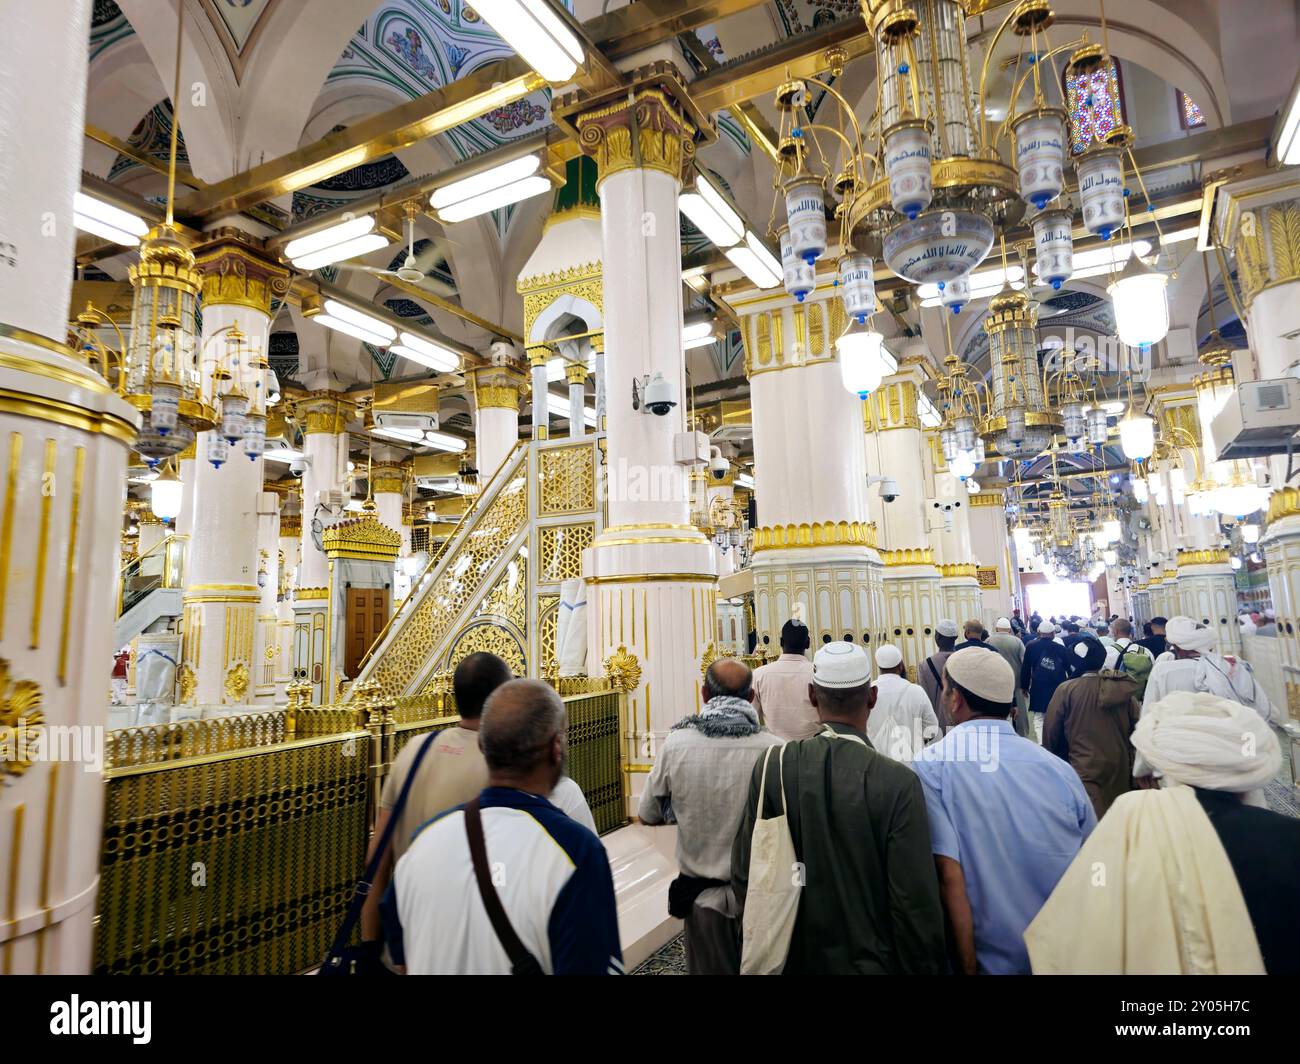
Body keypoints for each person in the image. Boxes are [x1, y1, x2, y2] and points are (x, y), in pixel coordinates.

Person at [1025, 691, 1299, 974]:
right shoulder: (1290, 839)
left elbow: (1070, 940)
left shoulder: (1127, 831)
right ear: (1249, 773)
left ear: (1147, 779)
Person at [731, 641, 945, 974]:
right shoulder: (898, 783)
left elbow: (747, 871)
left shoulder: (774, 766)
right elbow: (914, 902)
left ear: (813, 696)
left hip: (793, 960)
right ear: (871, 698)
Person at [360, 652, 595, 954]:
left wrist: (369, 946)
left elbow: (377, 860)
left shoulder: (414, 751)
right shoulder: (514, 770)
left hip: (411, 944)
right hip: (486, 948)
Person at [384, 679, 622, 975]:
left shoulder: (422, 844)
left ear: (483, 746)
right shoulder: (576, 852)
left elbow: (403, 961)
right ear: (556, 747)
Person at [913, 648, 1095, 975]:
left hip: (987, 962)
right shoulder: (1058, 770)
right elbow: (1091, 861)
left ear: (954, 700)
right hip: (1065, 957)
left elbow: (948, 876)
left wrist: (967, 967)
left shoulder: (930, 768)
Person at [638, 659, 780, 974]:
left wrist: (686, 811)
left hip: (702, 902)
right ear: (751, 696)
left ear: (704, 694)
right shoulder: (774, 749)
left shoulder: (677, 745)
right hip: (762, 899)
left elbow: (647, 812)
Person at [1042, 639, 1140, 819]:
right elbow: (1138, 728)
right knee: (1121, 817)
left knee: (1094, 824)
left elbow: (1051, 733)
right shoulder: (1122, 688)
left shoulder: (1067, 690)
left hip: (1083, 768)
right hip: (1121, 767)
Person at [1144, 616, 1277, 723]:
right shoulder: (1229, 666)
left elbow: (1149, 715)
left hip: (1178, 744)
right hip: (1222, 743)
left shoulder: (1163, 671)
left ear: (1177, 647)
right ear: (1209, 646)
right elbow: (1259, 708)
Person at [868, 644, 939, 762]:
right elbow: (932, 728)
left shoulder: (868, 692)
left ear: (879, 667)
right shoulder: (916, 691)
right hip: (912, 765)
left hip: (877, 765)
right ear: (900, 666)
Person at [751, 618, 818, 740]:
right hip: (813, 752)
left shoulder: (759, 675)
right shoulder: (818, 674)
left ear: (781, 642)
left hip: (775, 752)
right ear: (808, 643)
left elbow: (751, 718)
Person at [1021, 620, 1072, 743]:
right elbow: (1069, 668)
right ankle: (1057, 742)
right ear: (1053, 633)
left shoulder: (1031, 646)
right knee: (1059, 715)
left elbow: (1026, 668)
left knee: (1039, 716)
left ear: (1039, 633)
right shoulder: (1061, 648)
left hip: (1039, 685)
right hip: (1058, 686)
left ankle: (1041, 744)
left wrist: (1024, 686)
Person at [987, 618, 1028, 737]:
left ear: (996, 629)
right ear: (1010, 629)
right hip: (1016, 683)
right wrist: (1026, 684)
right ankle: (1021, 736)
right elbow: (1024, 662)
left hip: (995, 684)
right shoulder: (1017, 641)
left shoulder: (989, 640)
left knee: (998, 711)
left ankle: (1000, 735)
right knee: (1020, 714)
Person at [919, 619, 959, 729]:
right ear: (955, 638)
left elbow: (925, 699)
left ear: (938, 637)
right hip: (961, 725)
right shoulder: (964, 661)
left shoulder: (925, 665)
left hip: (937, 727)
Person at [1103, 617, 1155, 699]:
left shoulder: (1107, 651)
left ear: (1115, 632)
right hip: (1140, 698)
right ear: (1130, 631)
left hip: (1117, 698)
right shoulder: (1145, 651)